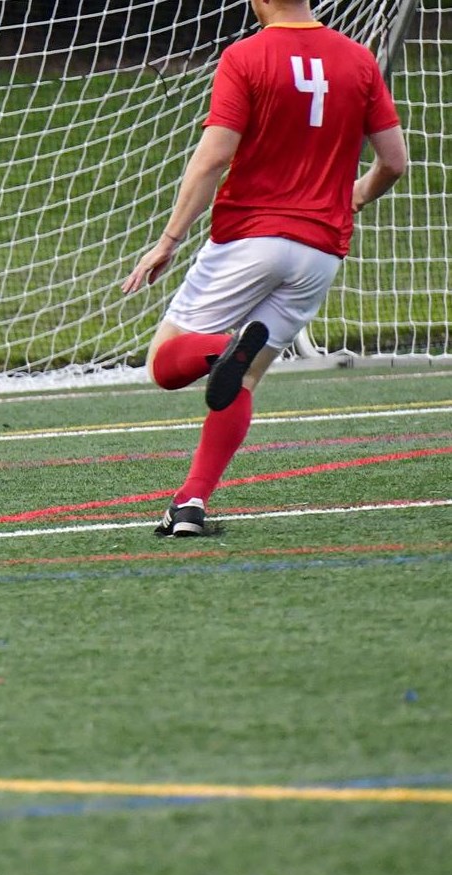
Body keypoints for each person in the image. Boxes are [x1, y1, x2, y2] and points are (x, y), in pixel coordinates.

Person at [121, 0, 407, 537]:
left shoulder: (246, 56)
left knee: (164, 364)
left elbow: (211, 158)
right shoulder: (358, 59)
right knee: (244, 379)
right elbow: (394, 161)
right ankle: (190, 505)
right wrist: (357, 198)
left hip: (252, 239)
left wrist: (168, 240)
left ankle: (218, 351)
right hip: (320, 252)